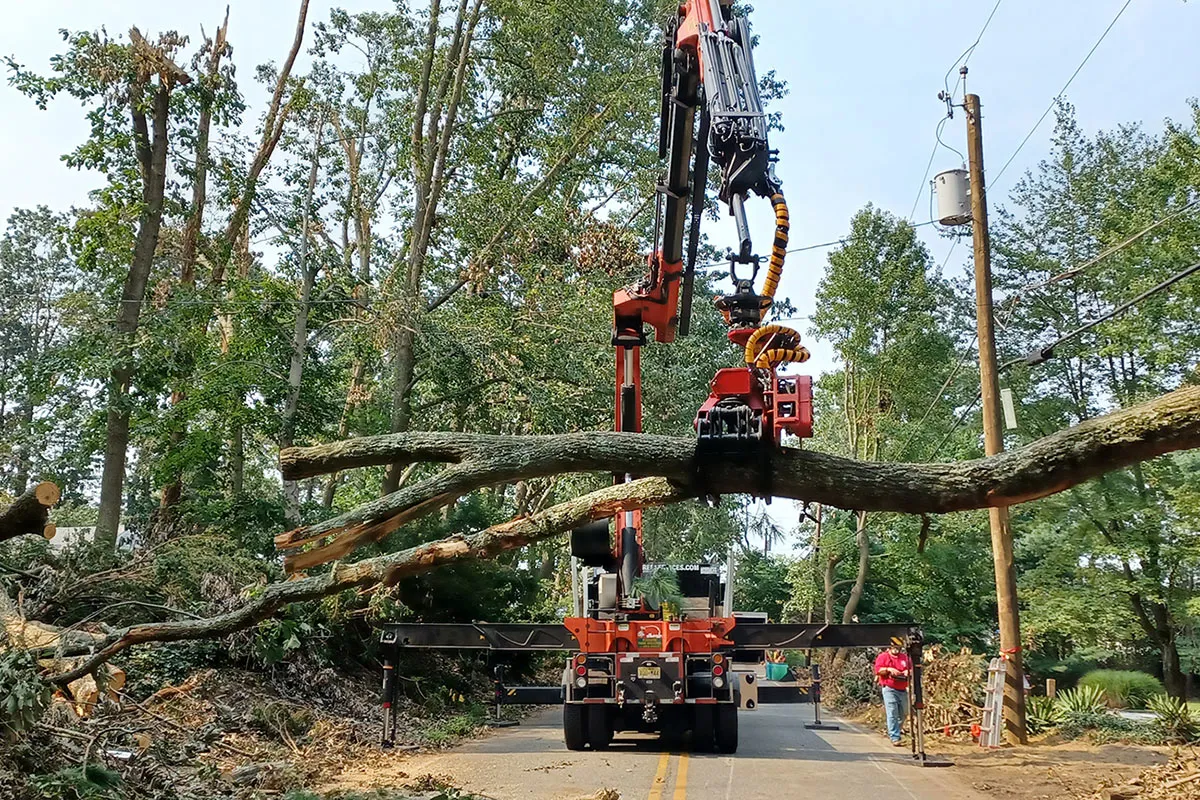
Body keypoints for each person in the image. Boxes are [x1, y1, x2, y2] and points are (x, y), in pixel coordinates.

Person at [874, 637, 911, 746]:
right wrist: (889, 669)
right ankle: (895, 736)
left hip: (902, 688)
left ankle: (895, 730)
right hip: (889, 688)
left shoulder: (905, 658)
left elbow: (912, 669)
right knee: (892, 712)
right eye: (894, 646)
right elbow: (879, 670)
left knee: (904, 713)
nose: (896, 649)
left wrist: (907, 671)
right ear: (890, 647)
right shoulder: (883, 657)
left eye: (898, 647)